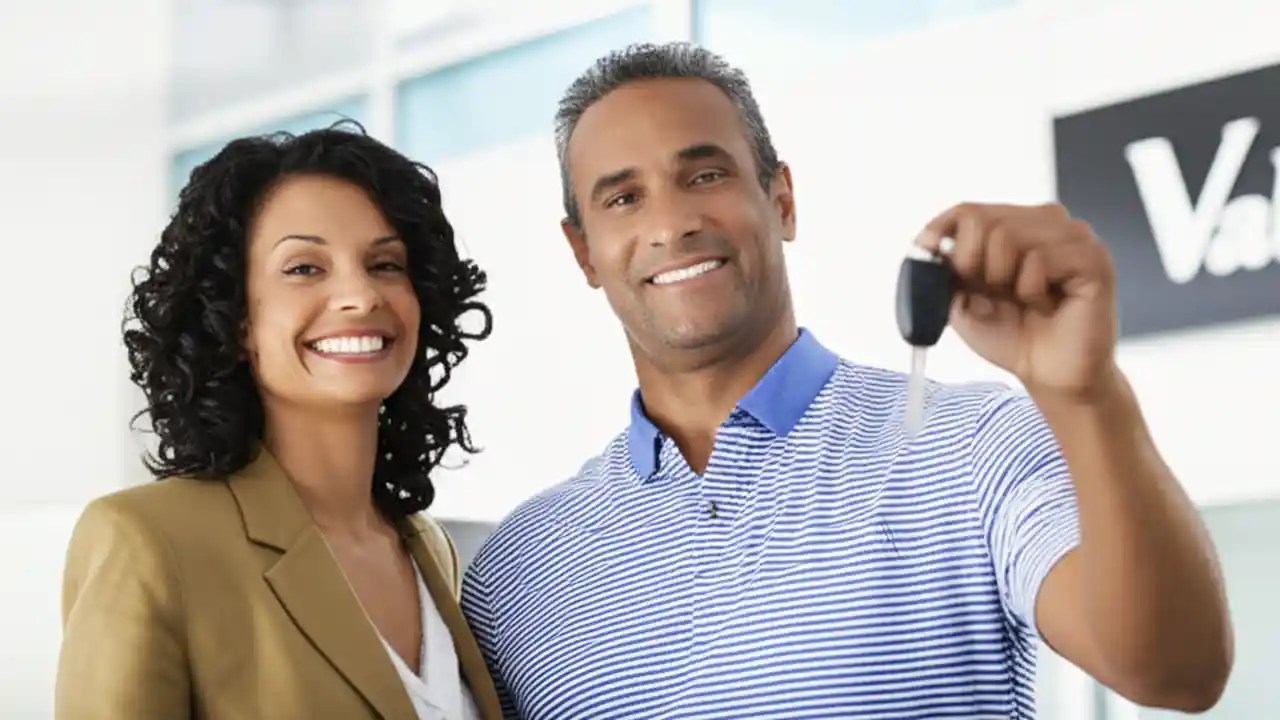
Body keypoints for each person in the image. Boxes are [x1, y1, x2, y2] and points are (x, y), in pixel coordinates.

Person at [459, 42, 1233, 719]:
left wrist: (1088, 395)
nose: (670, 224)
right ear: (583, 253)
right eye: (624, 198)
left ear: (782, 198)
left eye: (704, 175)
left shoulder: (971, 445)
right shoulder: (515, 572)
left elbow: (1175, 669)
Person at [56, 124, 503, 719]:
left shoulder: (431, 550)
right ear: (235, 319)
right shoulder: (146, 542)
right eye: (304, 268)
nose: (360, 295)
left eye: (385, 263)